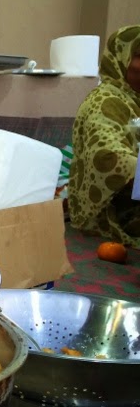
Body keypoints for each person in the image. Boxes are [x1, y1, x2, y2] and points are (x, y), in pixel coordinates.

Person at [68, 24, 140, 247]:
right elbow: (109, 159)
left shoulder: (135, 100)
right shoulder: (104, 103)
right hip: (112, 211)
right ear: (121, 59)